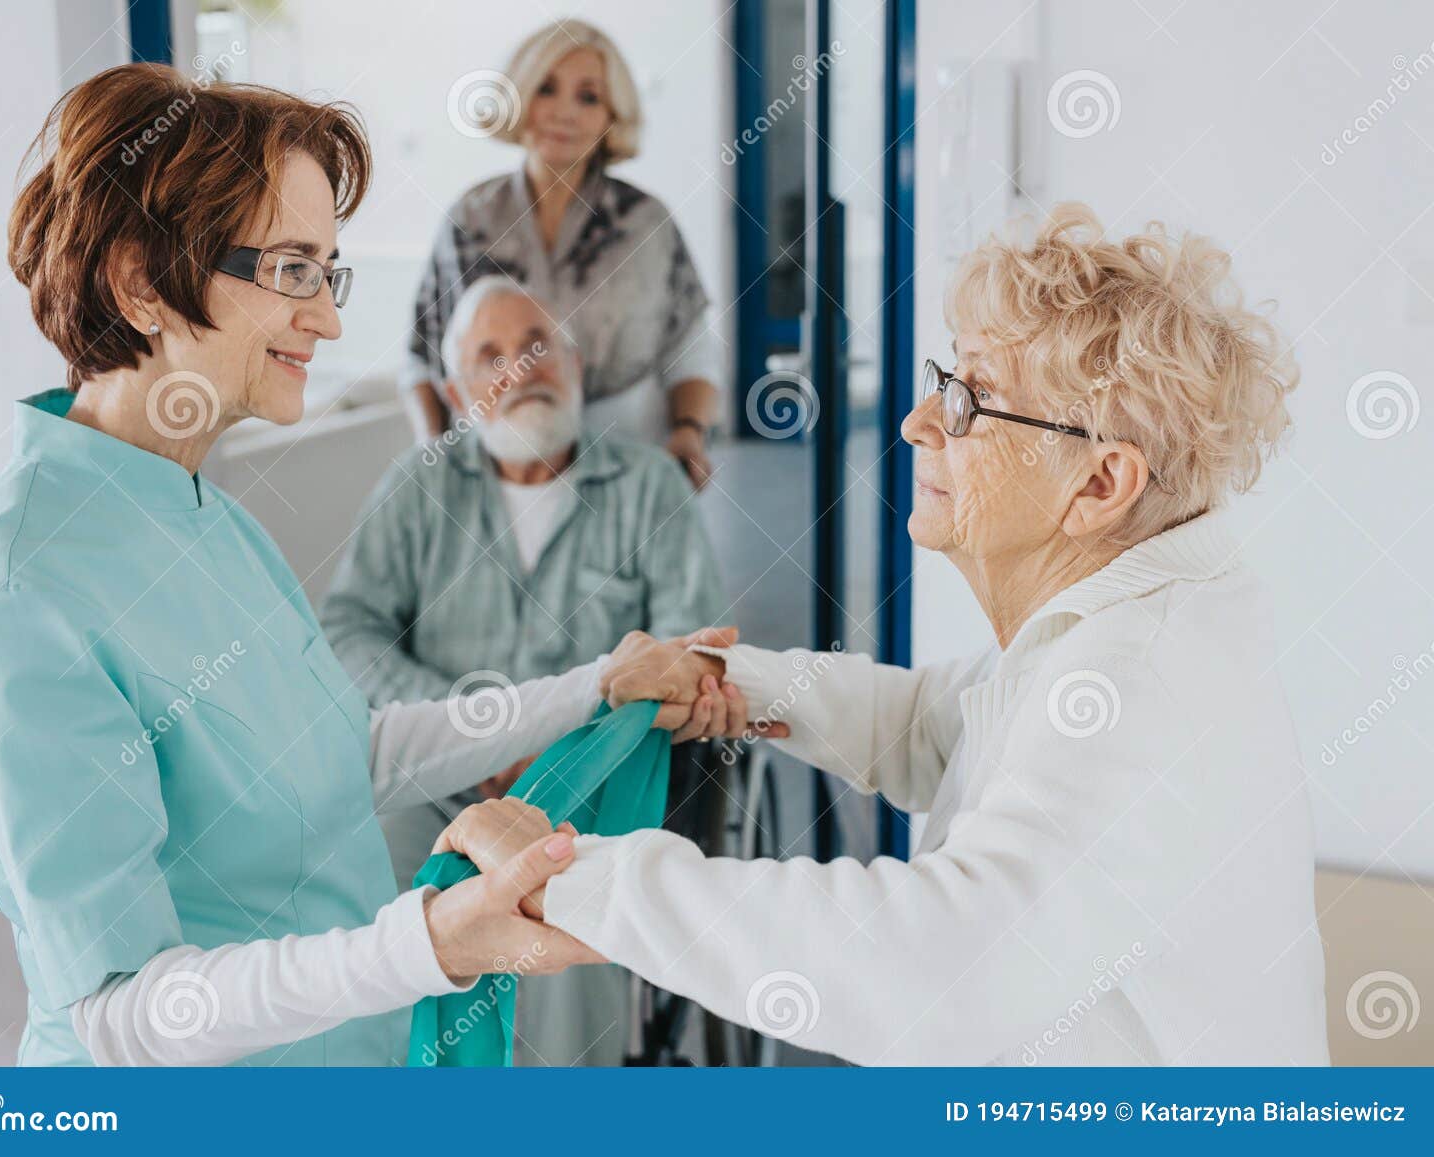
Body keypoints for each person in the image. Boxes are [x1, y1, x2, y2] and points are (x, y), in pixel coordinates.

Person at [0, 63, 705, 1067]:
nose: (326, 318)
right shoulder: (20, 596)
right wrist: (423, 945)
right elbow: (119, 1009)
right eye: (290, 270)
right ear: (141, 283)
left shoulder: (202, 510)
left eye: (329, 272)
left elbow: (341, 755)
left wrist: (593, 686)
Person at [439, 205, 1332, 1066]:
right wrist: (726, 677)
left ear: (1100, 483)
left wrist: (572, 876)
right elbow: (936, 727)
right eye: (950, 381)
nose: (917, 423)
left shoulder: (1142, 682)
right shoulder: (1119, 616)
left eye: (975, 403)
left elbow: (935, 971)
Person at [322, 275, 724, 1064]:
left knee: (561, 910)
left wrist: (560, 752)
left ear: (574, 364)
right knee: (363, 880)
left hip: (587, 787)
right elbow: (348, 628)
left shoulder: (648, 487)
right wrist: (468, 735)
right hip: (437, 781)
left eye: (539, 345)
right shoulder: (416, 488)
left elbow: (691, 648)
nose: (521, 368)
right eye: (491, 354)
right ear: (454, 390)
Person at [402, 18, 721, 487]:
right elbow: (421, 353)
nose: (564, 112)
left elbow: (689, 347)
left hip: (628, 464)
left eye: (588, 96)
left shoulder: (646, 223)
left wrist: (690, 433)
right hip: (498, 470)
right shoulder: (470, 220)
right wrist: (433, 451)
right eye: (546, 88)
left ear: (612, 115)